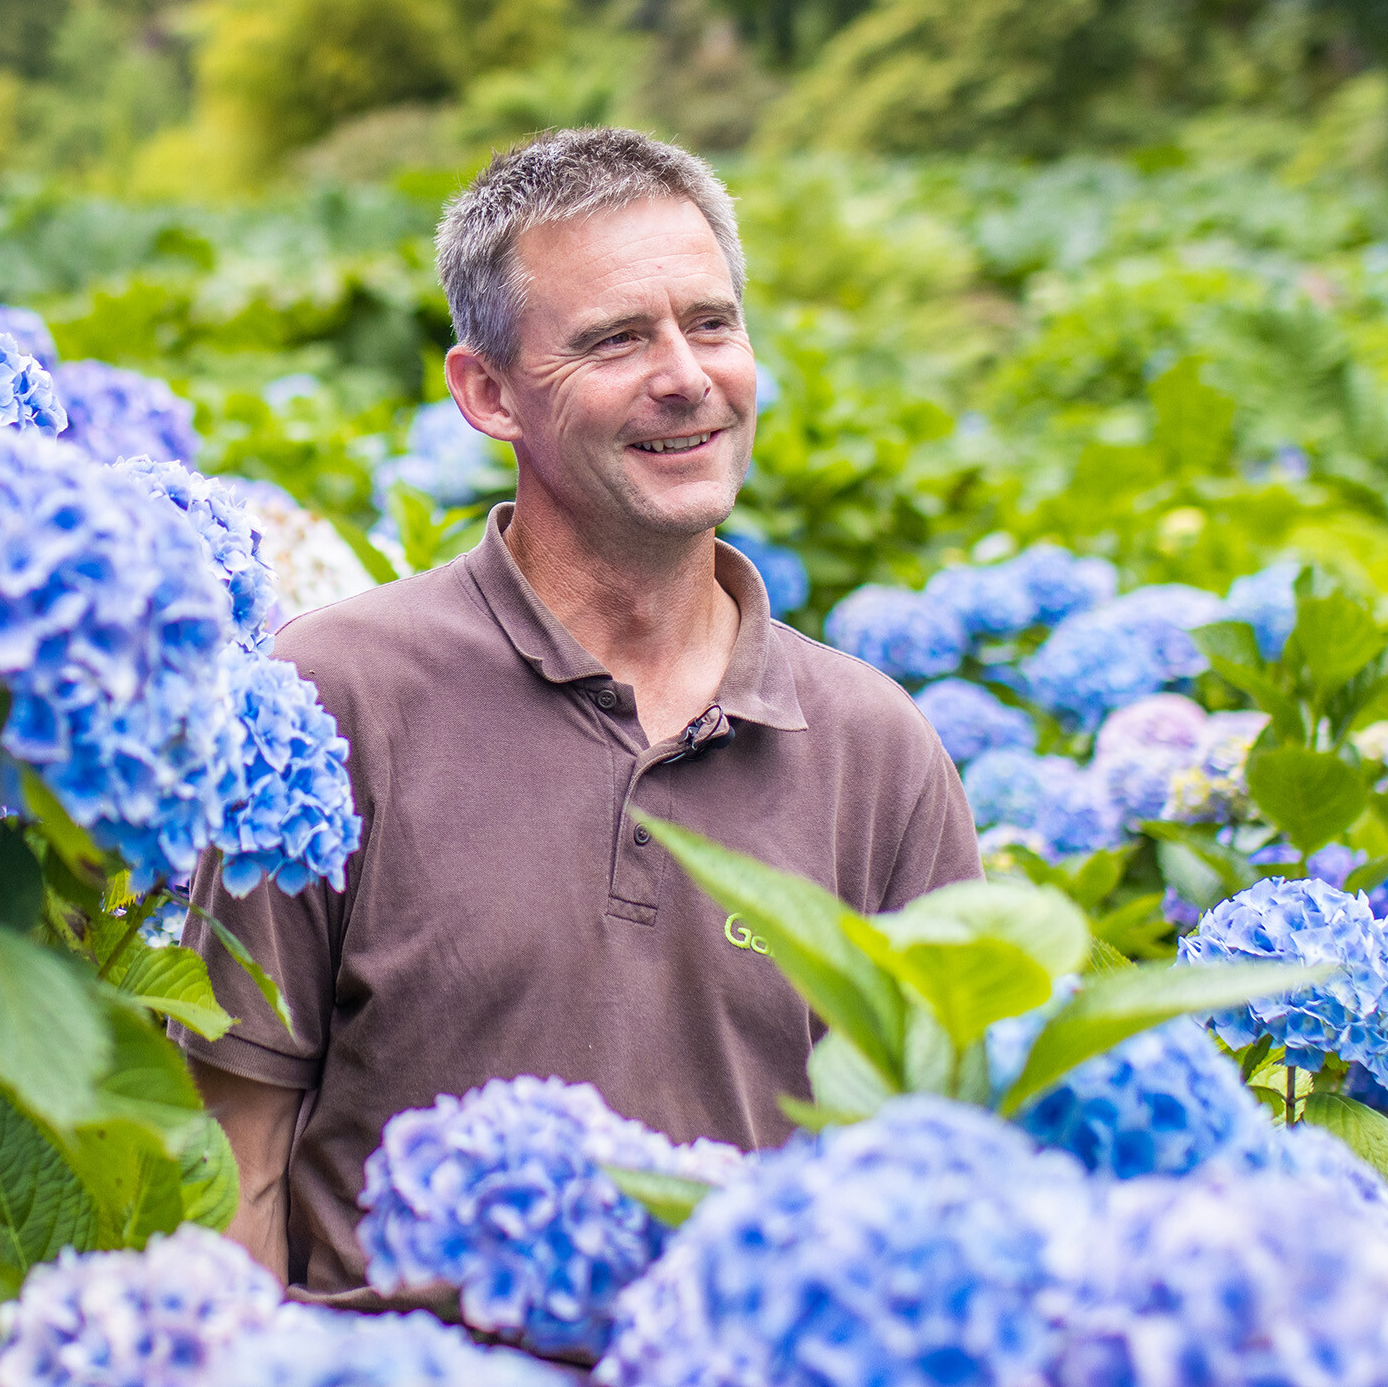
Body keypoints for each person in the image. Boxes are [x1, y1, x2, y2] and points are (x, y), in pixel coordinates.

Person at [179, 126, 982, 1293]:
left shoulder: (875, 747)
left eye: (712, 323)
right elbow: (230, 1155)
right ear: (488, 391)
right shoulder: (332, 697)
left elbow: (948, 1178)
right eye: (616, 338)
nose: (687, 376)